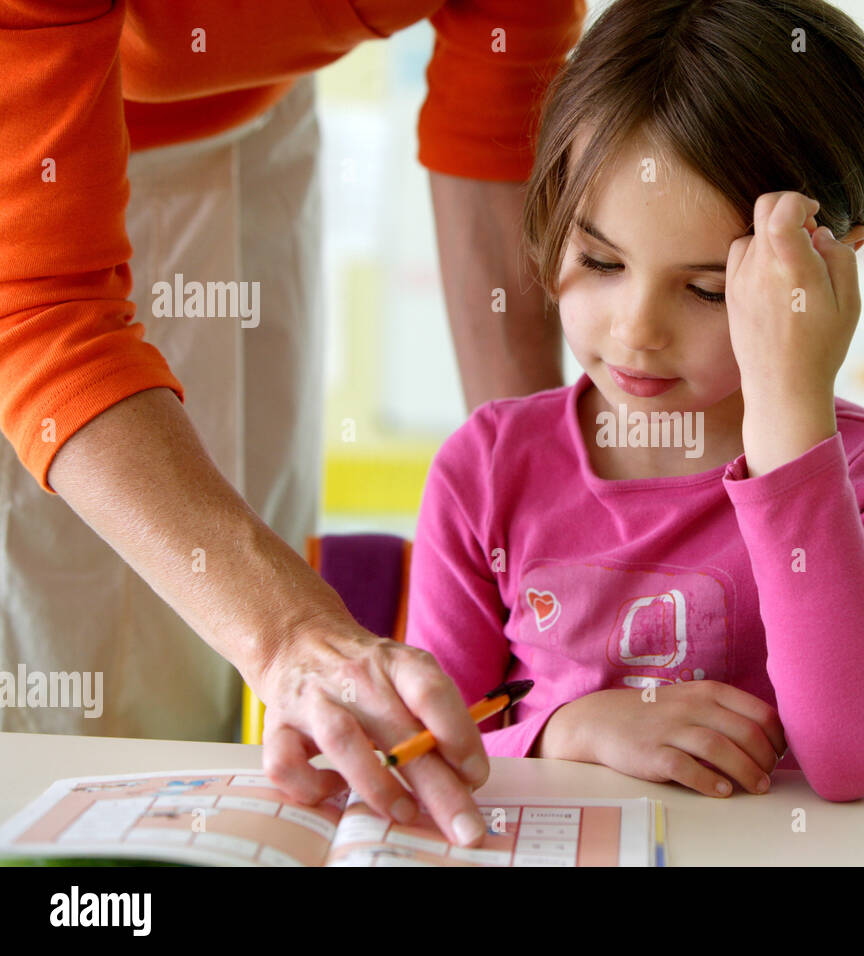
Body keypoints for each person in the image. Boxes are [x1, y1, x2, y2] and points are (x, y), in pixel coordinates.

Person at [0, 1, 583, 850]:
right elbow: (42, 315)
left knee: (230, 616)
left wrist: (546, 528)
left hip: (259, 119)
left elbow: (493, 116)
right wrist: (292, 635)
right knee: (79, 708)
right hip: (34, 146)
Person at [405, 0, 864, 803]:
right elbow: (429, 747)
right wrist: (567, 732)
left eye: (705, 289)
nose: (635, 331)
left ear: (829, 271)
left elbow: (851, 758)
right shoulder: (484, 468)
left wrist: (791, 417)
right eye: (599, 261)